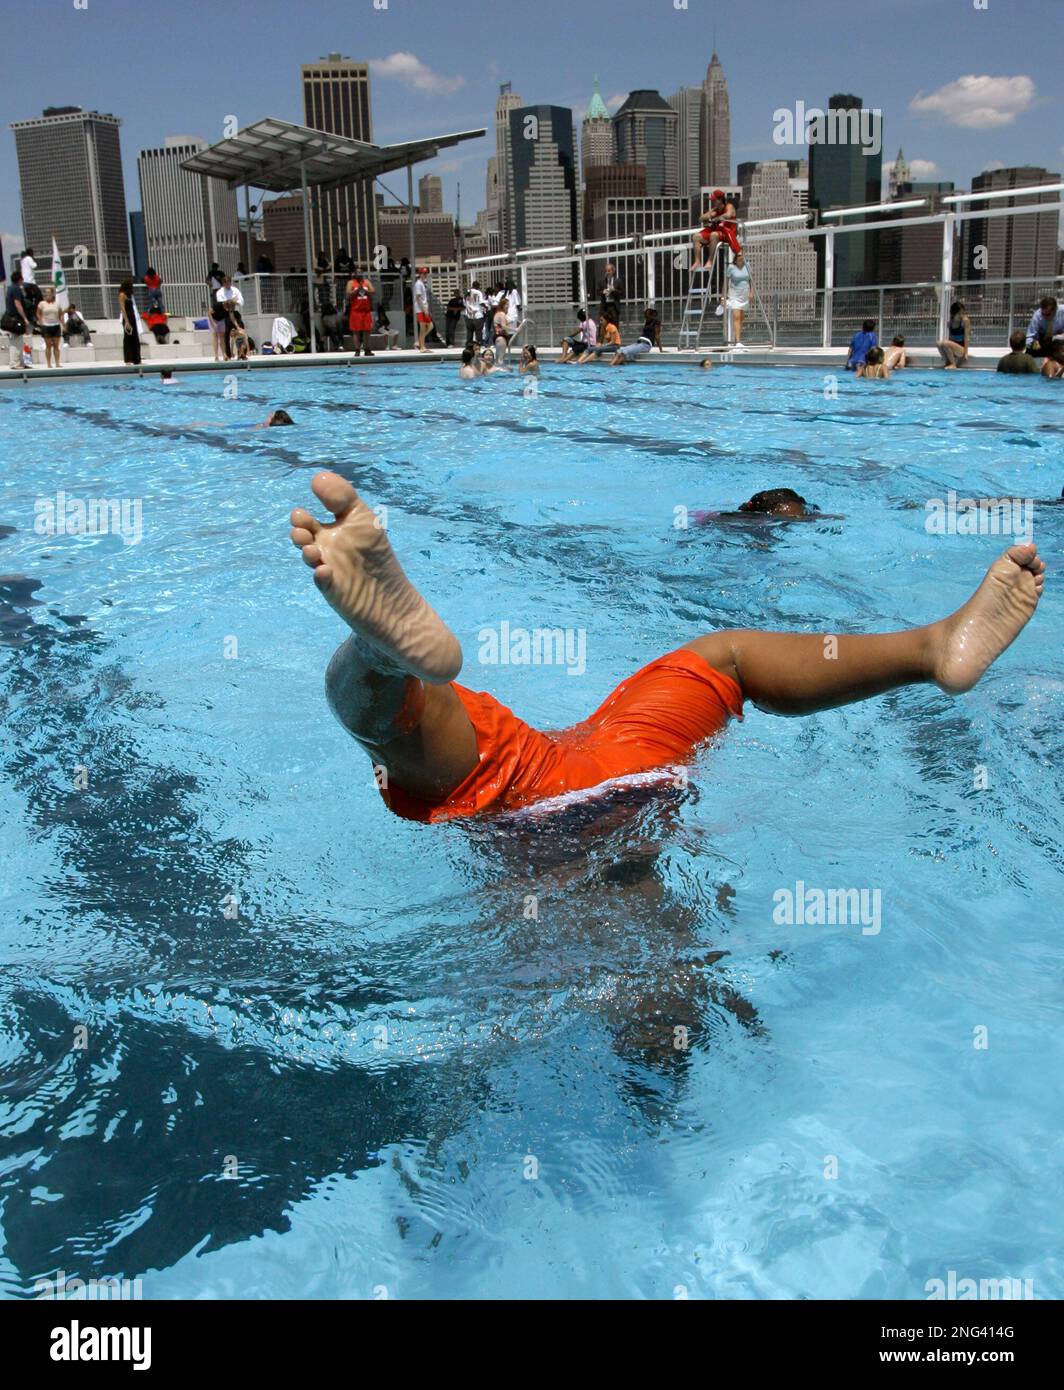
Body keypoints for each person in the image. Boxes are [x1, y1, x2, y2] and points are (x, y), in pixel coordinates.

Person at [287, 471, 1045, 826]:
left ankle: (379, 658)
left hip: (549, 788)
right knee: (729, 656)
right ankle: (930, 647)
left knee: (403, 724)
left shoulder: (549, 764)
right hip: (628, 753)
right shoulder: (615, 738)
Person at [693, 190, 740, 270]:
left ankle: (710, 261)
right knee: (696, 237)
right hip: (717, 232)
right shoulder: (715, 209)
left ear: (720, 199)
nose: (713, 202)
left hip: (728, 233)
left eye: (714, 200)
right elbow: (701, 218)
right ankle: (697, 262)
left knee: (713, 234)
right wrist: (709, 216)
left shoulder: (729, 206)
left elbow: (728, 215)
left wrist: (717, 218)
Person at [2, 270, 34, 368]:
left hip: (12, 318)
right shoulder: (16, 289)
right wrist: (25, 318)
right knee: (16, 341)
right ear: (20, 279)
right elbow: (18, 304)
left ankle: (21, 363)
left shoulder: (10, 288)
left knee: (18, 341)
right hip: (15, 319)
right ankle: (15, 363)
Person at [722, 250, 751, 349]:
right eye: (739, 255)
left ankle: (737, 339)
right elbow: (725, 282)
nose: (741, 257)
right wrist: (723, 296)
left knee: (741, 318)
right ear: (736, 257)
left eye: (742, 255)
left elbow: (751, 280)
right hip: (734, 295)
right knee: (737, 317)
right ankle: (738, 342)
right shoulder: (731, 267)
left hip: (744, 295)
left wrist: (751, 292)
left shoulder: (747, 265)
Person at [1024, 296, 1064, 360]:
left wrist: (1058, 337)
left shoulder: (1062, 311)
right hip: (1042, 340)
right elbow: (1030, 337)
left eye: (1048, 314)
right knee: (1030, 351)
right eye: (1043, 314)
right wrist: (1034, 346)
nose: (1045, 317)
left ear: (1055, 310)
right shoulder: (1037, 315)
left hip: (1058, 340)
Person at [346, 269, 375, 355]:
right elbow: (348, 294)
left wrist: (365, 290)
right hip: (356, 311)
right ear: (354, 274)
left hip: (366, 311)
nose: (359, 273)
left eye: (360, 272)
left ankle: (367, 349)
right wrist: (357, 290)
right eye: (357, 272)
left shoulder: (366, 282)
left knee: (367, 331)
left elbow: (373, 291)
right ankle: (357, 349)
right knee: (356, 331)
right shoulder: (351, 283)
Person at [215, 276, 245, 360]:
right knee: (226, 335)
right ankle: (228, 355)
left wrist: (233, 301)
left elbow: (241, 302)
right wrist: (231, 301)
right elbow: (221, 304)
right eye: (226, 283)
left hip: (235, 313)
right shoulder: (219, 292)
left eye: (229, 283)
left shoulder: (235, 290)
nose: (228, 285)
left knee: (241, 331)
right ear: (223, 283)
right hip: (225, 314)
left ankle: (242, 353)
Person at [34, 286, 63, 368]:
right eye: (46, 293)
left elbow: (60, 314)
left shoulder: (57, 303)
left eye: (49, 292)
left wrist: (63, 324)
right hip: (46, 326)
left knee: (56, 346)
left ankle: (57, 363)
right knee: (48, 346)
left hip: (56, 326)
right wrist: (41, 321)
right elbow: (38, 313)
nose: (47, 294)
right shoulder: (41, 303)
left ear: (52, 294)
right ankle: (49, 364)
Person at [936, 301, 970, 369]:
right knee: (938, 343)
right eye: (959, 313)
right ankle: (947, 363)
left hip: (961, 350)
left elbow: (966, 338)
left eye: (963, 313)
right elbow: (951, 339)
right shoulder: (950, 323)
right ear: (953, 314)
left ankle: (953, 364)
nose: (961, 315)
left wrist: (966, 353)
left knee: (945, 343)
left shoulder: (965, 321)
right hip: (955, 349)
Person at [118, 278, 141, 365]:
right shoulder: (122, 295)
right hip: (127, 318)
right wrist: (126, 321)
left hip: (133, 317)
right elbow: (123, 309)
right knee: (128, 338)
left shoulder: (130, 295)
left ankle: (136, 359)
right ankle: (128, 359)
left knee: (135, 337)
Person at [207, 264, 227, 361]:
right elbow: (207, 281)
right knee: (215, 335)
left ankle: (223, 354)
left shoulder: (217, 273)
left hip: (217, 289)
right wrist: (214, 323)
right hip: (214, 318)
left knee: (221, 336)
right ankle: (216, 355)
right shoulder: (213, 273)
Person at [413, 266, 432, 351]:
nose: (425, 275)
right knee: (423, 328)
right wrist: (424, 310)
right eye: (423, 273)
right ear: (419, 274)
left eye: (426, 273)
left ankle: (419, 342)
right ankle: (422, 347)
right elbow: (418, 297)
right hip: (420, 309)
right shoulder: (418, 284)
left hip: (423, 308)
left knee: (430, 326)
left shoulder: (421, 283)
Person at [463, 281, 486, 348]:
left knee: (469, 331)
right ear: (478, 286)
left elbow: (464, 303)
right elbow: (481, 302)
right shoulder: (478, 292)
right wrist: (486, 306)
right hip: (477, 315)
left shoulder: (466, 292)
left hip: (468, 315)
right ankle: (479, 345)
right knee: (478, 331)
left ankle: (468, 345)